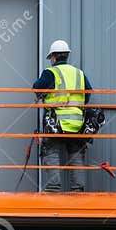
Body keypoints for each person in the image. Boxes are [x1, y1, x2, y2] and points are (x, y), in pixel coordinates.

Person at [33, 39, 92, 192]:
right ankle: (78, 190)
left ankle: (53, 187)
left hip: (56, 122)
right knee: (76, 155)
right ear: (66, 56)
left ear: (53, 57)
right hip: (77, 123)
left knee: (50, 151)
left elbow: (37, 88)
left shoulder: (51, 72)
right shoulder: (79, 74)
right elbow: (88, 92)